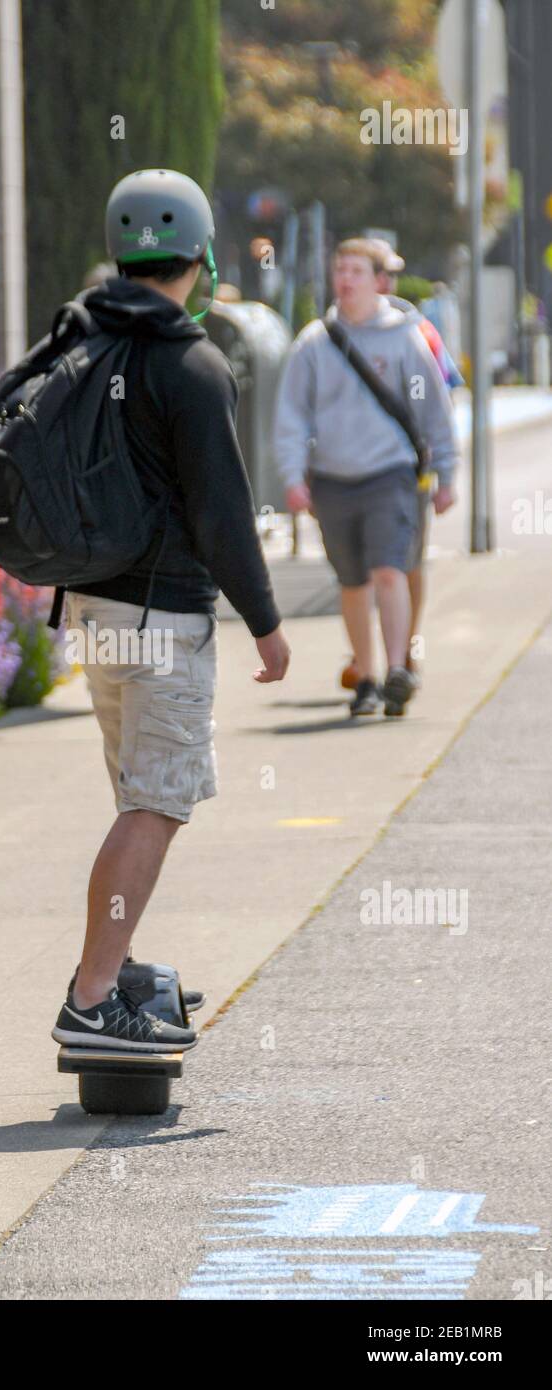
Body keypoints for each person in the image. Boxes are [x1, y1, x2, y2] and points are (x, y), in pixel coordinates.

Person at [52, 168, 290, 1053]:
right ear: (199, 255)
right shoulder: (191, 363)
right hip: (162, 615)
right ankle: (93, 997)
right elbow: (221, 512)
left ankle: (110, 971)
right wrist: (264, 621)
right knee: (156, 804)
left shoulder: (81, 345)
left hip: (93, 605)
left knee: (138, 795)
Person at [273, 237, 458, 718]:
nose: (345, 279)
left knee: (389, 570)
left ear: (377, 280)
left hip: (390, 474)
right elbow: (292, 413)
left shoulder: (405, 337)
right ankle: (367, 676)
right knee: (352, 582)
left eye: (356, 270)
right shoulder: (315, 342)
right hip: (333, 479)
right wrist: (293, 476)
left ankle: (397, 669)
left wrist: (447, 473)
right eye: (340, 270)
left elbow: (435, 409)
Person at [338, 241, 460, 692]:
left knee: (402, 564)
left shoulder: (418, 332)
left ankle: (403, 651)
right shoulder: (335, 332)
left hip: (407, 471)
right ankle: (370, 656)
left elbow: (443, 400)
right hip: (350, 472)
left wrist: (444, 469)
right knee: (364, 568)